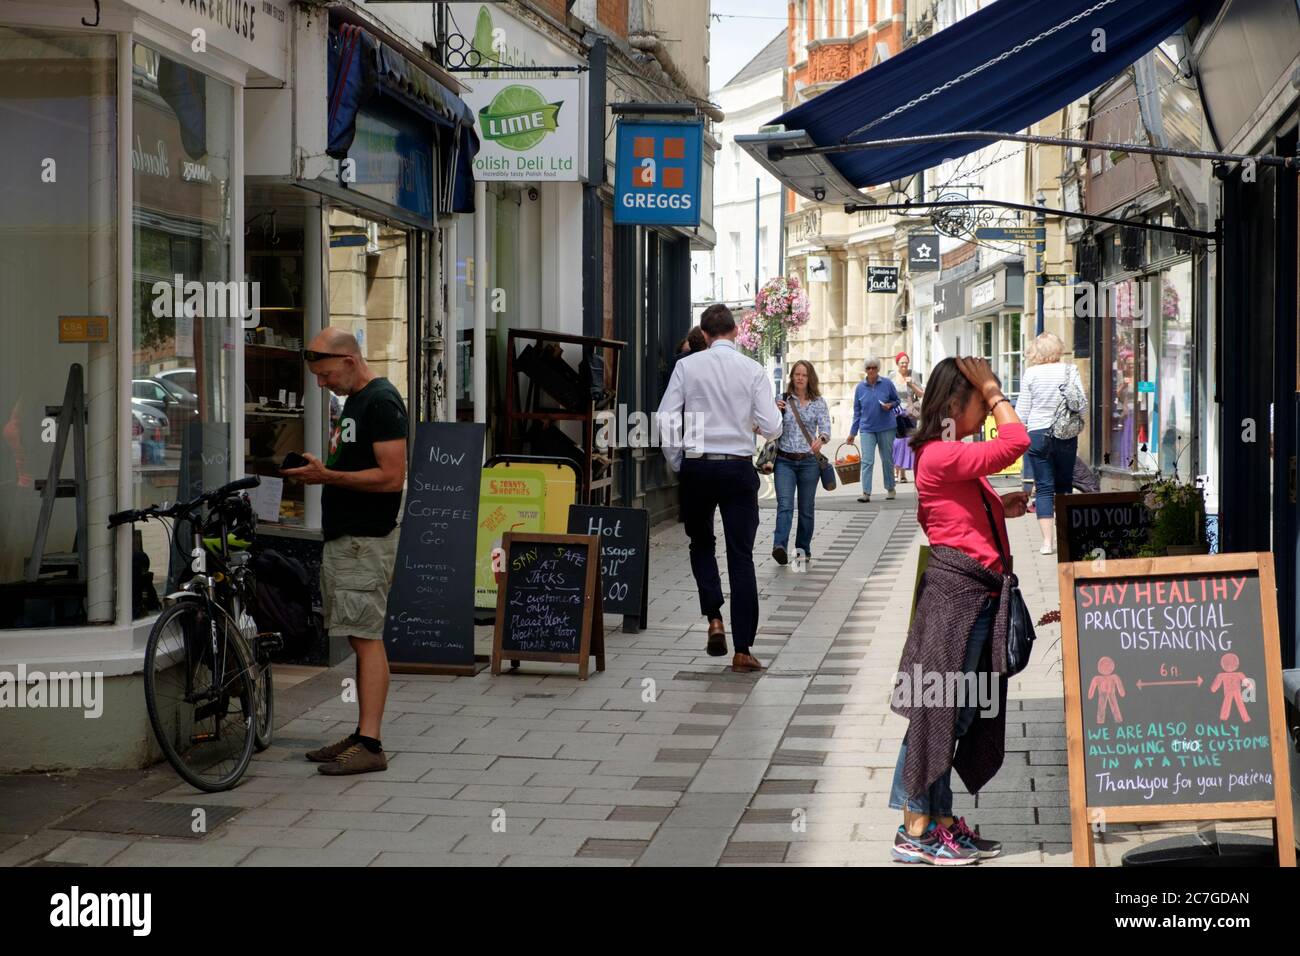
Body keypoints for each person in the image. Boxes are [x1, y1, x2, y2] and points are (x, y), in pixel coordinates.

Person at [888, 356, 1031, 865]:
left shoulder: (945, 454)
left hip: (970, 594)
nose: (988, 409)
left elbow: (947, 516)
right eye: (979, 401)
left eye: (989, 400)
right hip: (956, 599)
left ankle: (941, 821)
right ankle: (914, 828)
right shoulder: (940, 454)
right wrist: (994, 390)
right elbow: (1017, 442)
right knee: (935, 710)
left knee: (955, 712)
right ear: (955, 404)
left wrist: (999, 506)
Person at [282, 328, 409, 775]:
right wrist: (323, 470)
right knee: (359, 634)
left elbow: (392, 477)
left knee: (366, 638)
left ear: (351, 361)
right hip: (349, 537)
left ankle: (371, 743)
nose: (322, 383)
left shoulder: (381, 402)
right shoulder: (354, 402)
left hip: (364, 539)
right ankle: (360, 733)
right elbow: (357, 463)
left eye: (326, 373)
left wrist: (329, 479)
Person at [657, 304, 781, 673]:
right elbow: (772, 426)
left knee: (701, 543)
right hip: (739, 468)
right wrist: (755, 425)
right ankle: (742, 650)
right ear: (734, 332)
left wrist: (680, 460)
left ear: (705, 335)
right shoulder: (753, 370)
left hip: (699, 465)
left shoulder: (688, 366)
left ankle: (714, 617)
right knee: (741, 556)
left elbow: (664, 418)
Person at [1015, 331, 1088, 554]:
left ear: (1038, 351)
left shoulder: (1031, 374)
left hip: (1037, 434)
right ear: (1058, 349)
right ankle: (1067, 539)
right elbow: (1081, 405)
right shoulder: (1070, 370)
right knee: (1064, 486)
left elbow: (1022, 411)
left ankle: (1048, 543)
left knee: (1044, 488)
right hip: (1065, 434)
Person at [772, 360, 831, 566]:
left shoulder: (818, 402)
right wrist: (774, 411)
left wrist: (821, 439)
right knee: (785, 505)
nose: (799, 378)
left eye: (804, 375)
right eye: (796, 374)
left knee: (806, 509)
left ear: (809, 378)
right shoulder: (782, 400)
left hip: (808, 463)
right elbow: (768, 426)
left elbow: (825, 428)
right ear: (792, 377)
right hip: (784, 461)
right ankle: (779, 546)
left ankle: (802, 550)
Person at [846, 356, 901, 502]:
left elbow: (897, 400)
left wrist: (890, 405)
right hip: (867, 429)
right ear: (865, 370)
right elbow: (857, 412)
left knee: (887, 459)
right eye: (868, 368)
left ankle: (890, 488)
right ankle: (866, 493)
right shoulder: (860, 388)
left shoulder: (887, 383)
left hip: (886, 427)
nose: (871, 370)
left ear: (878, 369)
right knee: (867, 461)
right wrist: (852, 432)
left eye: (874, 368)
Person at [890, 352, 924, 485]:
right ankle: (895, 470)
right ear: (897, 363)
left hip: (910, 413)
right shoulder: (892, 376)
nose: (904, 365)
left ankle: (902, 473)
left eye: (906, 362)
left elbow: (920, 394)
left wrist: (912, 385)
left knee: (907, 443)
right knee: (897, 443)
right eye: (901, 362)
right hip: (896, 413)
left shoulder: (913, 374)